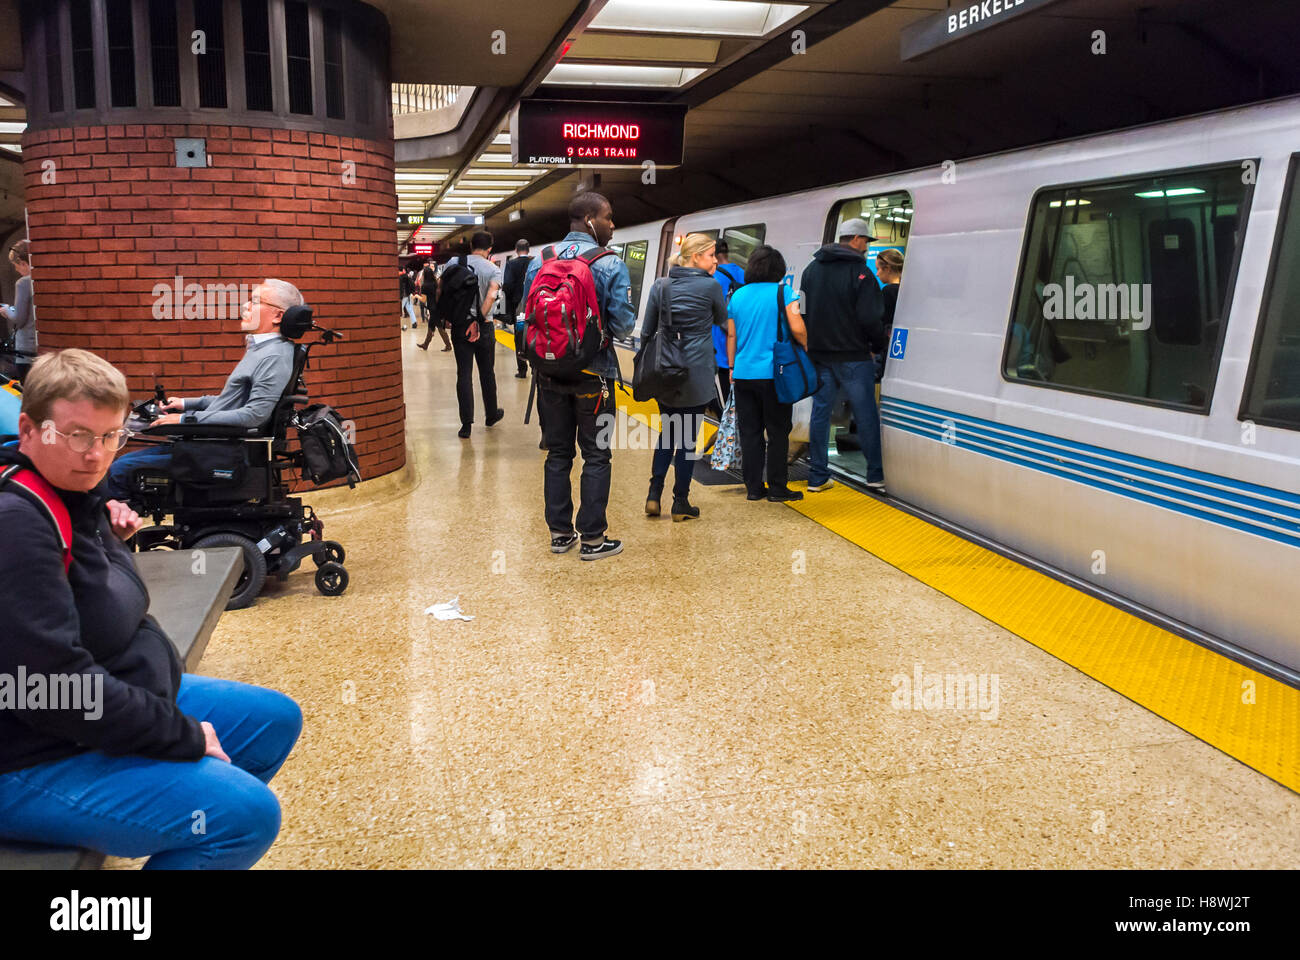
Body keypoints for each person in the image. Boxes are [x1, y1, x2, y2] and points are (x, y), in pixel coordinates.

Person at [0, 349, 302, 868]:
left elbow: (95, 598)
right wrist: (180, 736)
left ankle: (181, 819)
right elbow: (53, 688)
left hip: (113, 692)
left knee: (272, 720)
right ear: (29, 428)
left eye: (110, 436)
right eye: (75, 435)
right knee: (245, 817)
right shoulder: (17, 524)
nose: (95, 454)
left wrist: (107, 534)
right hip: (30, 755)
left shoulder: (70, 492)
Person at [105, 278, 302, 501]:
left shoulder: (273, 356)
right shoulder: (262, 349)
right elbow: (231, 402)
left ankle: (110, 534)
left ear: (277, 316)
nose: (245, 306)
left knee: (119, 471)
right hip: (211, 444)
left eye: (254, 301)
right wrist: (185, 404)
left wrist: (184, 420)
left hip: (221, 452)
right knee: (123, 462)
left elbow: (254, 415)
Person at [520, 192, 635, 560]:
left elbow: (525, 318)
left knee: (558, 453)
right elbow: (623, 324)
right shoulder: (610, 264)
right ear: (590, 220)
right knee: (596, 455)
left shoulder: (540, 260)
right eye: (608, 217)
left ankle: (559, 534)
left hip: (549, 375)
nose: (612, 225)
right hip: (594, 376)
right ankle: (593, 540)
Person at [641, 233, 724, 521]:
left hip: (665, 372)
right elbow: (724, 322)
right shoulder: (712, 287)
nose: (715, 260)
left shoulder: (660, 286)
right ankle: (680, 502)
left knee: (668, 432)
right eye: (711, 255)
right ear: (696, 257)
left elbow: (646, 332)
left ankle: (654, 494)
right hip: (697, 373)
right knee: (688, 439)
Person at [800, 218, 887, 493]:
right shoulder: (862, 274)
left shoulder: (811, 270)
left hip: (820, 355)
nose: (866, 248)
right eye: (866, 242)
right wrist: (877, 345)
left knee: (821, 412)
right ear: (857, 240)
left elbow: (801, 310)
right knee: (865, 414)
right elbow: (870, 317)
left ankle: (817, 477)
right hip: (854, 356)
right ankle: (874, 475)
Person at [726, 244, 806, 503]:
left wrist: (731, 367)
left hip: (743, 373)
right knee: (778, 431)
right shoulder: (786, 293)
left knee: (750, 432)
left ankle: (753, 488)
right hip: (775, 375)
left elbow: (732, 334)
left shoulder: (737, 296)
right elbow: (798, 328)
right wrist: (807, 348)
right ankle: (778, 488)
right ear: (778, 269)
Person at [446, 232, 505, 439]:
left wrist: (448, 316)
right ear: (490, 249)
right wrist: (478, 322)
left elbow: (441, 289)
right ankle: (491, 414)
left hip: (460, 326)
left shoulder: (454, 262)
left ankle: (466, 425)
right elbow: (491, 295)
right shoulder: (493, 269)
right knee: (487, 372)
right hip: (485, 326)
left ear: (471, 245)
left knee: (464, 374)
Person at [711, 240, 745, 408]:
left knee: (724, 403)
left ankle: (727, 433)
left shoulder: (712, 278)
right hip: (739, 348)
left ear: (715, 255)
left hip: (719, 348)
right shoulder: (743, 273)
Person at [0, 240, 38, 383]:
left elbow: (19, 319)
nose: (16, 270)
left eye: (16, 266)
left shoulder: (23, 282)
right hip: (38, 348)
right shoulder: (40, 279)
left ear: (23, 263)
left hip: (25, 351)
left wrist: (6, 311)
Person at [502, 239, 534, 379]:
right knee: (534, 333)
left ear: (516, 249)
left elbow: (507, 285)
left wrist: (507, 303)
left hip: (519, 308)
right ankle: (535, 367)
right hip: (534, 306)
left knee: (520, 335)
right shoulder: (535, 262)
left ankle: (522, 370)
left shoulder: (511, 264)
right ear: (528, 249)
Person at [874, 248, 904, 383]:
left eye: (879, 269)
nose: (877, 273)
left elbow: (880, 321)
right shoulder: (905, 289)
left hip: (886, 346)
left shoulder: (888, 291)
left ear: (887, 269)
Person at [416, 259, 451, 352]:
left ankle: (448, 345)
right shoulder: (436, 282)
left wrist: (416, 296)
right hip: (438, 307)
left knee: (439, 327)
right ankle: (425, 344)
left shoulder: (425, 286)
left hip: (433, 309)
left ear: (424, 275)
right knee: (431, 326)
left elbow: (423, 300)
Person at [399, 264, 418, 331]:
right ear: (403, 270)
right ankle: (414, 322)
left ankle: (397, 325)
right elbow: (412, 284)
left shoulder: (399, 278)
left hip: (402, 296)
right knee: (410, 309)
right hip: (408, 295)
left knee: (399, 310)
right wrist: (412, 292)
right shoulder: (408, 277)